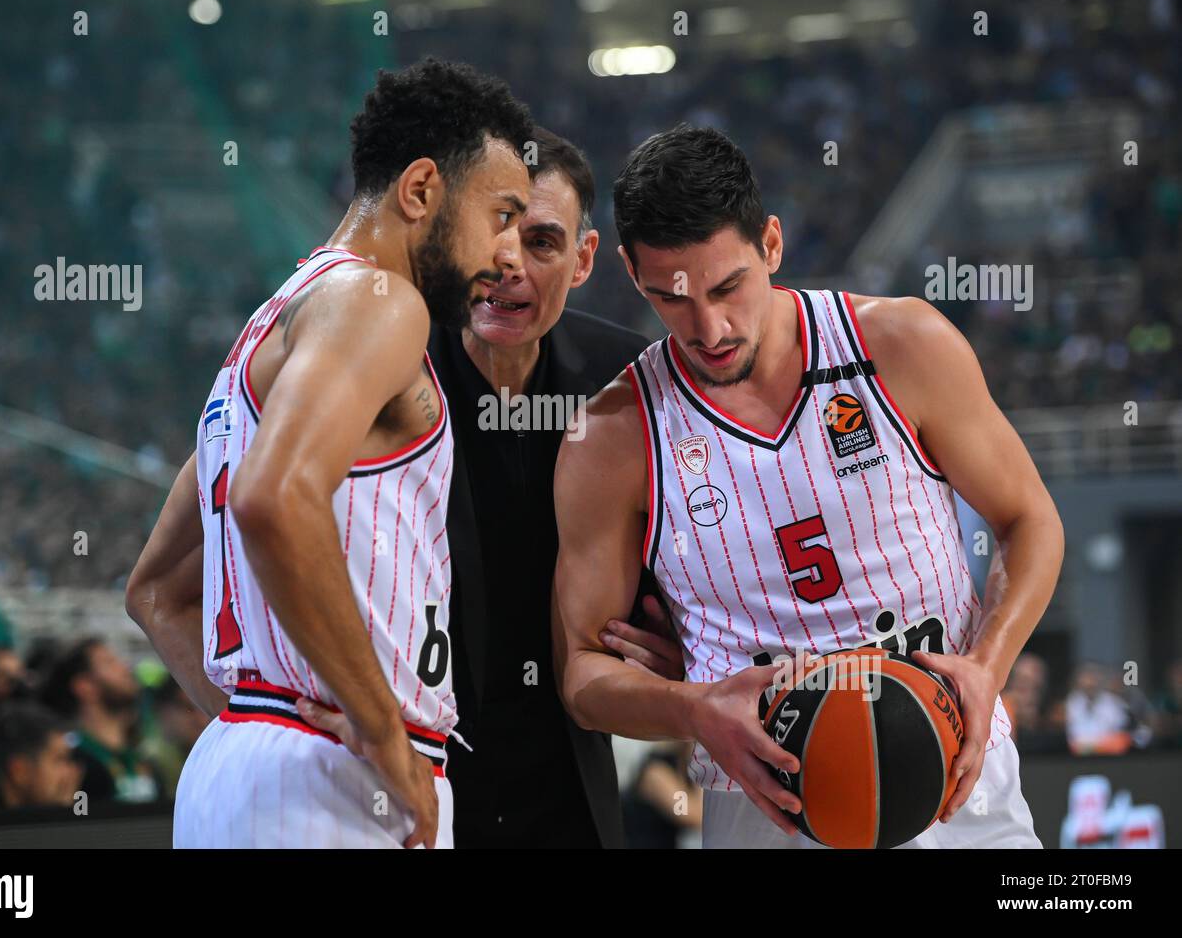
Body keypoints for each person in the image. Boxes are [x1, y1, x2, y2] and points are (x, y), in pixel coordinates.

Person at [552, 124, 1065, 848]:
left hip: (952, 778)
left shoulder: (900, 344)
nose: (710, 327)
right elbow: (581, 674)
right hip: (763, 804)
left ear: (770, 245)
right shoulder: (609, 436)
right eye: (672, 298)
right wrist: (692, 708)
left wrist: (987, 667)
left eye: (728, 286)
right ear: (634, 275)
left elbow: (1030, 519)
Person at [126, 57, 534, 848]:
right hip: (335, 781)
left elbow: (155, 592)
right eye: (503, 215)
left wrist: (257, 728)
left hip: (255, 767)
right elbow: (272, 498)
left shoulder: (276, 322)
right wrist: (380, 731)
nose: (509, 253)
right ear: (421, 191)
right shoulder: (379, 301)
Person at [416, 127, 674, 847]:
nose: (509, 266)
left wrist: (675, 640)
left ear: (585, 258)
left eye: (542, 242)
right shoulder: (390, 365)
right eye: (493, 232)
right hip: (414, 778)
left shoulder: (631, 379)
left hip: (569, 787)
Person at [38, 638, 161, 804]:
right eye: (110, 663)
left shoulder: (143, 761)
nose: (125, 669)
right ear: (84, 687)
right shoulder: (71, 763)